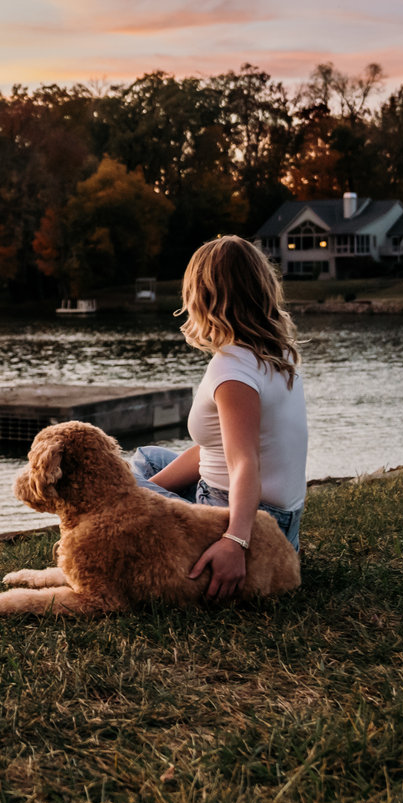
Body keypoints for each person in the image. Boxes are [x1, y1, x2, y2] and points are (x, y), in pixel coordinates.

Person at [130, 235, 307, 600]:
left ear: (204, 297)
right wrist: (152, 493)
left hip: (244, 518)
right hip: (282, 522)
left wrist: (235, 542)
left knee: (116, 486)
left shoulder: (232, 371)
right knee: (146, 459)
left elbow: (245, 462)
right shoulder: (275, 354)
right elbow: (215, 447)